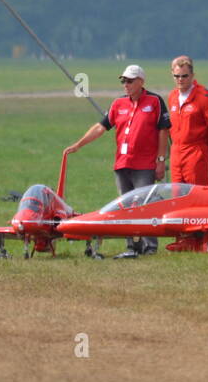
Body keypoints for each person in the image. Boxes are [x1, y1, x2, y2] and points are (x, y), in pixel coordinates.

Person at [65, 64, 170, 258]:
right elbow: (101, 127)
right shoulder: (118, 104)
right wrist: (79, 144)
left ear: (141, 81)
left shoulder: (155, 101)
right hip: (122, 164)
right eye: (123, 81)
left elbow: (163, 130)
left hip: (145, 164)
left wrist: (161, 160)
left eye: (130, 81)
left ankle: (150, 246)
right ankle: (131, 245)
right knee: (125, 207)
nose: (126, 84)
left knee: (144, 205)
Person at [166, 56, 208, 186]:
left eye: (184, 76)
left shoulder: (203, 96)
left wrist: (206, 149)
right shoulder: (172, 96)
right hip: (176, 153)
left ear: (192, 75)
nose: (180, 79)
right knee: (177, 194)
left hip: (195, 152)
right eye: (177, 76)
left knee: (198, 194)